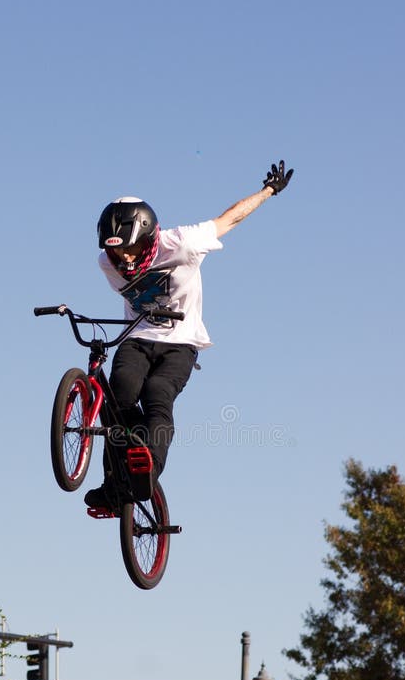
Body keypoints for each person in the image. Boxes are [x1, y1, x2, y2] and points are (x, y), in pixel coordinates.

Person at [84, 159, 294, 509]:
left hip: (181, 343)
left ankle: (146, 472)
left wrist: (268, 191)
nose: (124, 259)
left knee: (156, 393)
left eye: (131, 249)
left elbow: (230, 219)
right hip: (138, 337)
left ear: (150, 238)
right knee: (117, 396)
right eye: (116, 251)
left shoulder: (183, 243)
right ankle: (115, 481)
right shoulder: (107, 263)